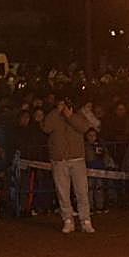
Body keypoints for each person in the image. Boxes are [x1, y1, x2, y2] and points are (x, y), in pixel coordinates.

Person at [42, 97, 92, 233]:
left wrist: (70, 117)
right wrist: (56, 112)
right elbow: (46, 128)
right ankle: (67, 220)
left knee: (82, 192)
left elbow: (84, 127)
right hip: (59, 160)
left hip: (77, 158)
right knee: (63, 193)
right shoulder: (53, 116)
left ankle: (85, 220)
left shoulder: (78, 115)